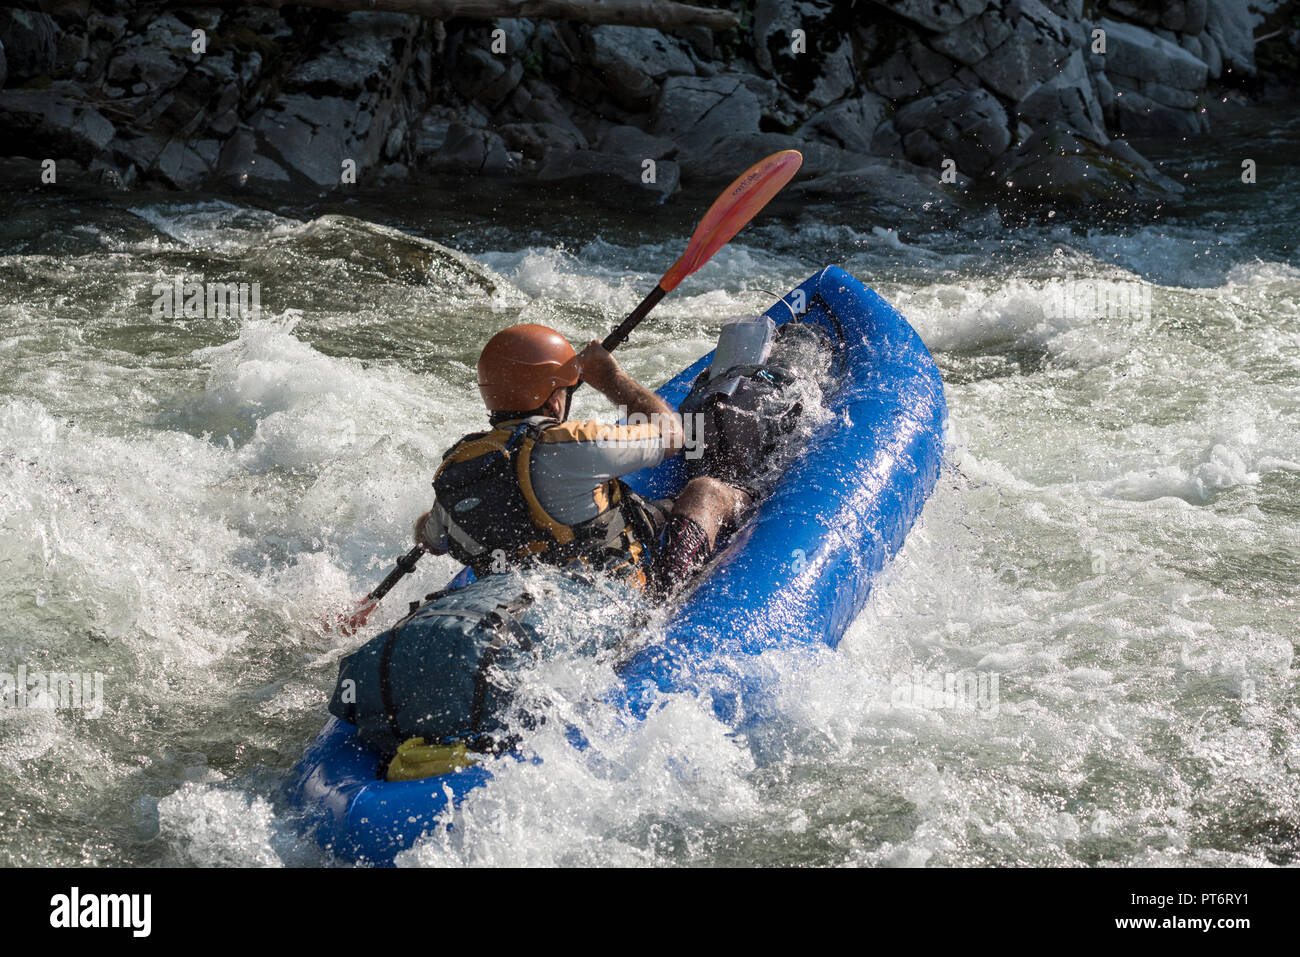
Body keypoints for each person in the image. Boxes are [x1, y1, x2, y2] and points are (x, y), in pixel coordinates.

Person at [413, 323, 750, 597]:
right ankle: (671, 596)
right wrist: (609, 377)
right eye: (564, 390)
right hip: (615, 607)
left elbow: (429, 539)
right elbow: (672, 434)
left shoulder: (458, 468)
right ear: (554, 400)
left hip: (535, 607)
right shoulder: (573, 443)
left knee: (650, 508)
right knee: (705, 491)